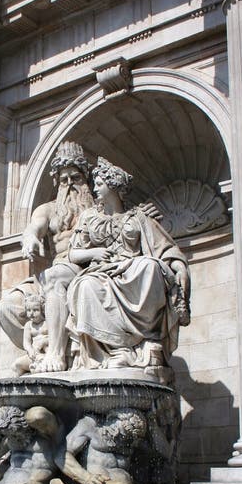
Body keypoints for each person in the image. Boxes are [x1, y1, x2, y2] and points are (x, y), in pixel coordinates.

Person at [67, 158, 190, 370]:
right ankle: (115, 351)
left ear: (113, 186)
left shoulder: (138, 216)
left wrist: (178, 265)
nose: (94, 188)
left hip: (131, 267)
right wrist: (94, 252)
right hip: (101, 271)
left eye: (99, 183)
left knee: (150, 266)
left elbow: (163, 246)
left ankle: (146, 341)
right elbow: (73, 254)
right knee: (86, 285)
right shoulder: (88, 217)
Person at [0, 141, 95, 373]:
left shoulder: (97, 208)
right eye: (64, 179)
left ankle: (57, 355)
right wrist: (30, 237)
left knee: (54, 276)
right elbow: (35, 226)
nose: (70, 184)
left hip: (86, 268)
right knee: (5, 307)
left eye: (76, 178)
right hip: (55, 271)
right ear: (57, 183)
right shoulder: (49, 209)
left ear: (86, 179)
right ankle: (37, 352)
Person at [13, 294, 49, 375]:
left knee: (42, 364)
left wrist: (44, 341)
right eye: (29, 310)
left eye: (35, 310)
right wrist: (30, 350)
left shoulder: (47, 323)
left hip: (47, 353)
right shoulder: (28, 325)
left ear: (42, 310)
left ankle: (37, 367)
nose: (31, 313)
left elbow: (55, 338)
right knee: (16, 365)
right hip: (34, 355)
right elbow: (26, 342)